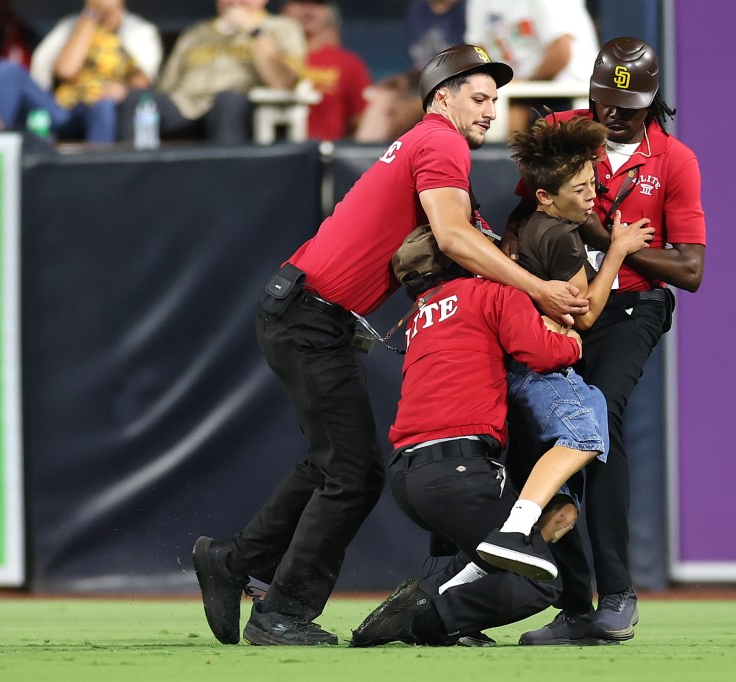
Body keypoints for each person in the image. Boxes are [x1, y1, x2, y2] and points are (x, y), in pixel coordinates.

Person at [191, 43, 589, 647]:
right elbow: (454, 237)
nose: (489, 110)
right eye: (479, 98)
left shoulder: (423, 141)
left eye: (495, 99)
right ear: (442, 99)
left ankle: (233, 560)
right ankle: (280, 614)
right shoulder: (441, 141)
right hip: (310, 315)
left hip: (306, 310)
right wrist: (541, 288)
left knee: (334, 465)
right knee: (350, 474)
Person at [503, 36, 706, 646]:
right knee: (530, 432)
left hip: (630, 308)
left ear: (652, 102)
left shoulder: (674, 160)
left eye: (628, 105)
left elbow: (692, 271)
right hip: (558, 299)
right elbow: (526, 215)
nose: (612, 114)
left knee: (599, 420)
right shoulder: (562, 129)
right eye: (604, 100)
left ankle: (616, 594)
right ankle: (573, 603)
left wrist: (616, 243)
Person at [349, 226, 582, 647]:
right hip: (461, 467)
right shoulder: (492, 292)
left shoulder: (420, 314)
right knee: (538, 581)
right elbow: (547, 354)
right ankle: (422, 617)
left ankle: (434, 608)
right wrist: (575, 343)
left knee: (484, 555)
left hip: (407, 474)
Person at [475, 115, 655, 581]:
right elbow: (587, 315)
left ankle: (505, 552)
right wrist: (618, 249)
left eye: (592, 183)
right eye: (578, 189)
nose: (591, 196)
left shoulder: (535, 227)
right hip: (540, 371)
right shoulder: (560, 237)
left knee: (562, 498)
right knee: (591, 432)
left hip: (515, 368)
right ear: (544, 197)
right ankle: (514, 532)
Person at [122, 0, 306, 144]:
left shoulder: (282, 27)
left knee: (228, 101)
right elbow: (166, 86)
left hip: (239, 109)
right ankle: (128, 179)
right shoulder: (195, 33)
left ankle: (226, 183)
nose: (234, 2)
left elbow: (283, 82)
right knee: (140, 100)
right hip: (185, 108)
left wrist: (254, 30)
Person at [0, 0, 161, 142]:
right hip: (63, 110)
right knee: (7, 70)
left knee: (103, 106)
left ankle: (99, 175)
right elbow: (66, 70)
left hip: (105, 108)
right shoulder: (72, 25)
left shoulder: (139, 31)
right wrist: (90, 15)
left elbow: (143, 81)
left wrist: (122, 89)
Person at [463, 0, 598, 134]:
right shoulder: (478, 3)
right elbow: (478, 49)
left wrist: (521, 86)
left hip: (569, 91)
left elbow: (560, 54)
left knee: (513, 113)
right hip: (515, 90)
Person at [353, 0, 466, 143]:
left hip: (459, 89)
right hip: (424, 86)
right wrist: (405, 78)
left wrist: (418, 105)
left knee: (403, 112)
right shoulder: (418, 8)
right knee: (383, 98)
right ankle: (366, 158)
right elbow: (423, 64)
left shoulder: (470, 8)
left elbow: (474, 68)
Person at [280, 0, 370, 140]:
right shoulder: (270, 59)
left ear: (328, 12)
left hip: (326, 155)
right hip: (271, 153)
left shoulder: (348, 63)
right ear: (285, 9)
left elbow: (362, 120)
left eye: (318, 3)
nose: (308, 10)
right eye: (300, 3)